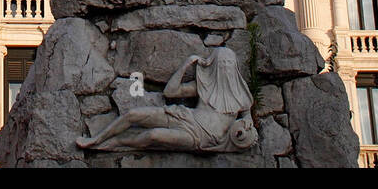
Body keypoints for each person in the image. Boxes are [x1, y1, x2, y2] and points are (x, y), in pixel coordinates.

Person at [77, 49, 258, 153]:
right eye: (221, 63)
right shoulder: (203, 86)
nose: (224, 67)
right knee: (133, 115)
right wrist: (186, 64)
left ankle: (116, 143)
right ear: (213, 65)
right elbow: (170, 92)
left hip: (202, 138)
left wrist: (245, 126)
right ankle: (96, 139)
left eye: (228, 63)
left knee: (153, 135)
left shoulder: (241, 95)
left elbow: (246, 120)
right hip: (186, 117)